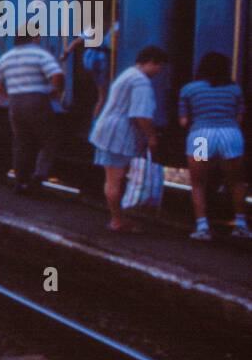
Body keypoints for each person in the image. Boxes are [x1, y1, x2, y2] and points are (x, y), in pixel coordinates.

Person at [88, 45, 169, 232]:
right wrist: (152, 136)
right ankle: (117, 220)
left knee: (112, 179)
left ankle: (118, 217)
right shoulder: (140, 81)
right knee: (114, 179)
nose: (160, 72)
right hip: (117, 135)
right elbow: (141, 114)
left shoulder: (129, 74)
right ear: (150, 62)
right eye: (160, 67)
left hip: (109, 131)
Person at [178, 51, 249, 240]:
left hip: (202, 137)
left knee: (198, 182)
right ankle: (241, 225)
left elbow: (184, 121)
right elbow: (239, 117)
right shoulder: (235, 90)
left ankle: (203, 227)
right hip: (230, 136)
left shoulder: (189, 89)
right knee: (236, 181)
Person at [0, 19, 64, 195]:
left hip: (15, 103)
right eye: (38, 34)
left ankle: (20, 182)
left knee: (21, 143)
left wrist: (7, 95)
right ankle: (38, 178)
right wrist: (55, 90)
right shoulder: (40, 54)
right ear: (33, 36)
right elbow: (57, 74)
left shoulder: (7, 56)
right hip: (37, 101)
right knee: (48, 140)